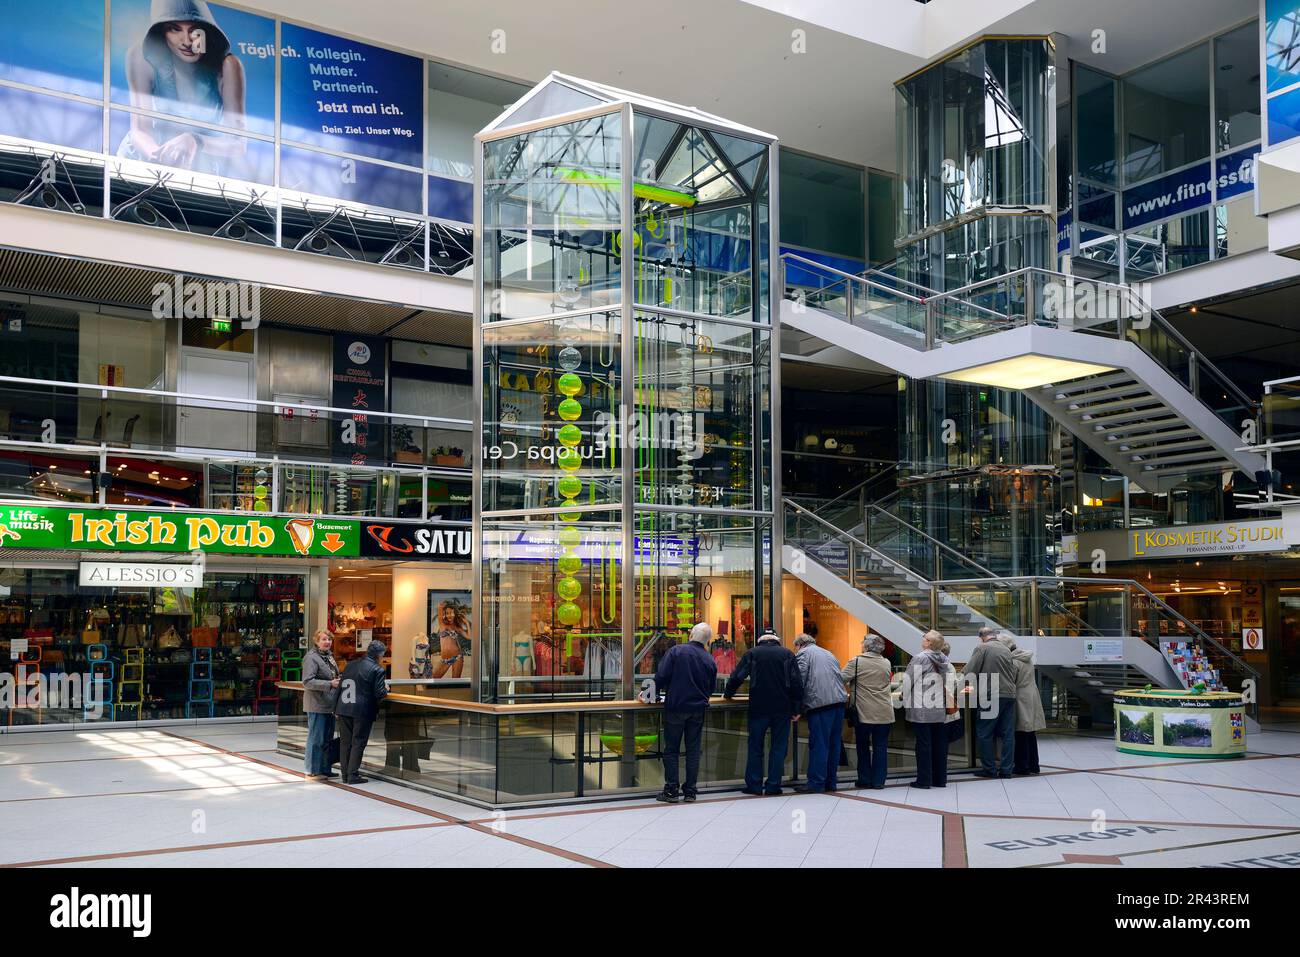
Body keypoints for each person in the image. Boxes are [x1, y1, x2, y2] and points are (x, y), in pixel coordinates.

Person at [119, 0, 249, 174]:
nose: (187, 41)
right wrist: (159, 160)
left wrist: (195, 141)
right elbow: (140, 131)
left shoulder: (228, 66)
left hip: (194, 170)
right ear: (162, 32)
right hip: (141, 163)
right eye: (175, 29)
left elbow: (238, 144)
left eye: (195, 30)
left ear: (207, 30)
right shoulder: (141, 57)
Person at [724, 630, 802, 796]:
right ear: (776, 640)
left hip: (758, 708)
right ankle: (773, 785)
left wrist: (728, 693)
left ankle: (754, 785)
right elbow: (796, 682)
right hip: (782, 708)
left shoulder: (752, 653)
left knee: (755, 747)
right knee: (778, 747)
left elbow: (737, 676)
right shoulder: (787, 654)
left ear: (760, 640)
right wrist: (796, 708)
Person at [654, 622, 718, 804]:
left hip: (676, 707)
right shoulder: (709, 659)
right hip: (697, 709)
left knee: (671, 749)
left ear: (691, 635)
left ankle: (671, 790)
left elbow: (662, 676)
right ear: (707, 641)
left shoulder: (676, 651)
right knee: (693, 750)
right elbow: (711, 687)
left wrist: (652, 692)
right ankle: (690, 791)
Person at [793, 633, 847, 793]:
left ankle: (816, 783)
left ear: (799, 645)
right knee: (834, 744)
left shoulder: (804, 654)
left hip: (820, 704)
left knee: (819, 744)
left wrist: (797, 707)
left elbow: (799, 680)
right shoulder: (828, 653)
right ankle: (831, 782)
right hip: (839, 703)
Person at [964, 626, 1018, 778]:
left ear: (981, 637)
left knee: (984, 732)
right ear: (994, 635)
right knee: (1008, 734)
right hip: (1009, 694)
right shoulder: (1006, 649)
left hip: (991, 693)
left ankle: (989, 769)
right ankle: (1006, 770)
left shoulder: (982, 648)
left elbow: (969, 672)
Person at [842, 633, 894, 789]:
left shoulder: (857, 661)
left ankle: (864, 779)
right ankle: (878, 781)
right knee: (881, 746)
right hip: (884, 711)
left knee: (863, 746)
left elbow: (841, 679)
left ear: (866, 646)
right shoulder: (886, 662)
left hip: (864, 711)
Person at [902, 630, 953, 789]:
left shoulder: (920, 658)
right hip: (938, 706)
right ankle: (940, 779)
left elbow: (908, 680)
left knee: (923, 745)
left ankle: (924, 780)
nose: (922, 639)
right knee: (939, 744)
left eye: (924, 638)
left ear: (929, 643)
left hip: (922, 707)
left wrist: (904, 697)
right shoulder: (944, 658)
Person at [335, 640, 389, 785]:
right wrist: (386, 689)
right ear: (379, 655)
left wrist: (335, 707)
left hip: (344, 707)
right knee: (358, 742)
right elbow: (379, 694)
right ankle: (353, 775)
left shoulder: (350, 665)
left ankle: (345, 774)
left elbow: (340, 687)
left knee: (345, 743)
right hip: (362, 711)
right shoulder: (377, 670)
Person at [301, 630, 340, 781]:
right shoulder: (311, 658)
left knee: (327, 739)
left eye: (329, 639)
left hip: (329, 704)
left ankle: (324, 768)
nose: (327, 642)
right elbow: (307, 681)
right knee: (316, 739)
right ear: (316, 641)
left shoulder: (329, 656)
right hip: (316, 705)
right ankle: (312, 770)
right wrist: (329, 684)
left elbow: (333, 675)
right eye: (324, 639)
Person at [1005, 636, 1046, 774]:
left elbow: (1010, 681)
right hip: (1032, 694)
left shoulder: (1014, 661)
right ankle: (1034, 765)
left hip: (1021, 696)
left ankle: (1022, 766)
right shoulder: (1026, 658)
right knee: (1030, 732)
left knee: (1020, 731)